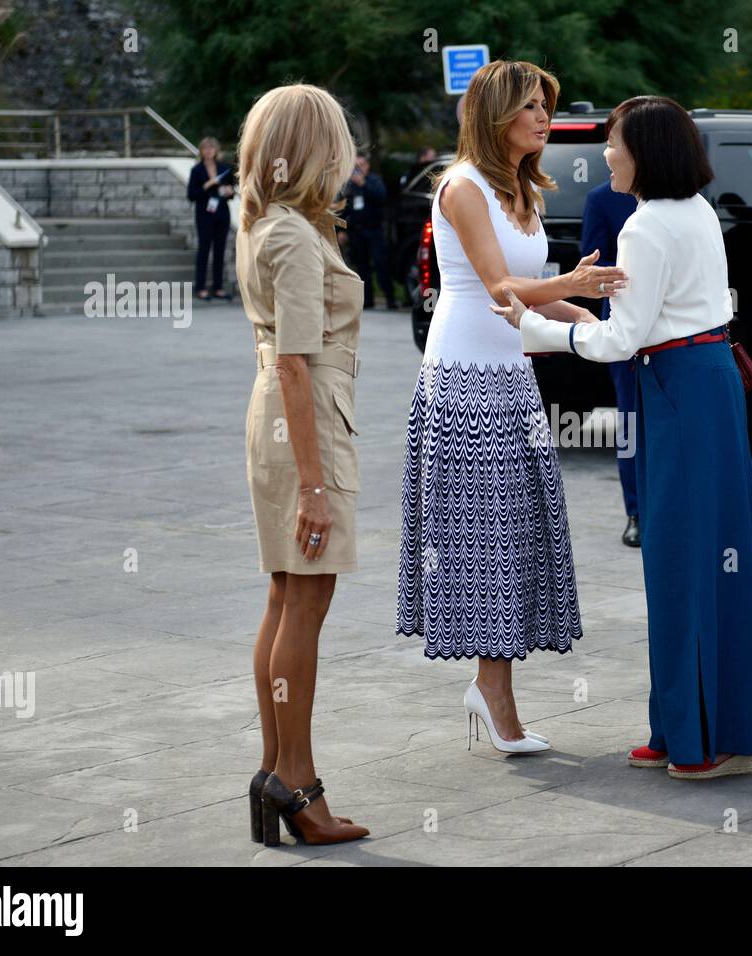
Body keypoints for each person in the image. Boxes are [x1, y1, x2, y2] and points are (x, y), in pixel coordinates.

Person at [495, 95, 752, 779]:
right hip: (699, 385)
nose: (606, 154)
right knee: (710, 556)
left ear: (646, 150)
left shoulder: (647, 225)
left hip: (678, 390)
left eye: (615, 142)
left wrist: (535, 329)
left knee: (681, 559)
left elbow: (621, 339)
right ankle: (697, 725)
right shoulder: (696, 212)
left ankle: (703, 738)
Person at [397, 61, 624, 753]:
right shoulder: (462, 186)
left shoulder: (519, 187)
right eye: (530, 106)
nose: (543, 117)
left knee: (515, 538)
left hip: (512, 374)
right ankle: (494, 693)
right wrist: (577, 286)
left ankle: (493, 685)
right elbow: (500, 288)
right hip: (464, 380)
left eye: (545, 105)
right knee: (481, 544)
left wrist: (602, 331)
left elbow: (530, 297)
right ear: (496, 114)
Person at [234, 83, 370, 846]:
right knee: (304, 605)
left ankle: (275, 772)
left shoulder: (271, 224)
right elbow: (294, 362)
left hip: (288, 418)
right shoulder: (289, 235)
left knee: (287, 598)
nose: (346, 159)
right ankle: (296, 783)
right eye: (338, 144)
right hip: (305, 419)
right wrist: (315, 485)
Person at [580, 179, 641, 546]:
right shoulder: (602, 198)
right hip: (624, 326)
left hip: (675, 329)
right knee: (631, 420)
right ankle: (635, 512)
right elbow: (593, 265)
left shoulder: (677, 190)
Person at [338, 151, 397, 309]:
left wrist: (364, 184)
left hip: (374, 230)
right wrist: (341, 230)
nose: (358, 169)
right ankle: (368, 299)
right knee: (362, 267)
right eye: (355, 166)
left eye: (361, 165)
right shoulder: (349, 185)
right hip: (357, 231)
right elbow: (343, 208)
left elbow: (381, 196)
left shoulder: (373, 181)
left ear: (367, 166)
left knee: (380, 264)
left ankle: (390, 298)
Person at [187, 136, 235, 300]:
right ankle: (200, 287)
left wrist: (230, 192)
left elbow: (231, 190)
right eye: (205, 148)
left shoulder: (224, 168)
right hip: (204, 213)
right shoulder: (197, 170)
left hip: (221, 212)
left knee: (220, 250)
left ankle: (218, 287)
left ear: (216, 150)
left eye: (211, 148)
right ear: (201, 151)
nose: (208, 151)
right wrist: (206, 186)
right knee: (204, 249)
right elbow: (191, 195)